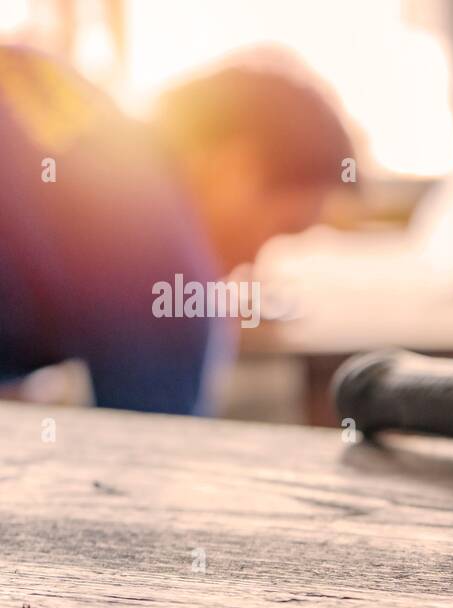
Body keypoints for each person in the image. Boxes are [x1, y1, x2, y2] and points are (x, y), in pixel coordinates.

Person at [0, 46, 354, 414]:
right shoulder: (164, 260)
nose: (256, 260)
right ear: (235, 170)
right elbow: (146, 459)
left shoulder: (65, 103)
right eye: (283, 228)